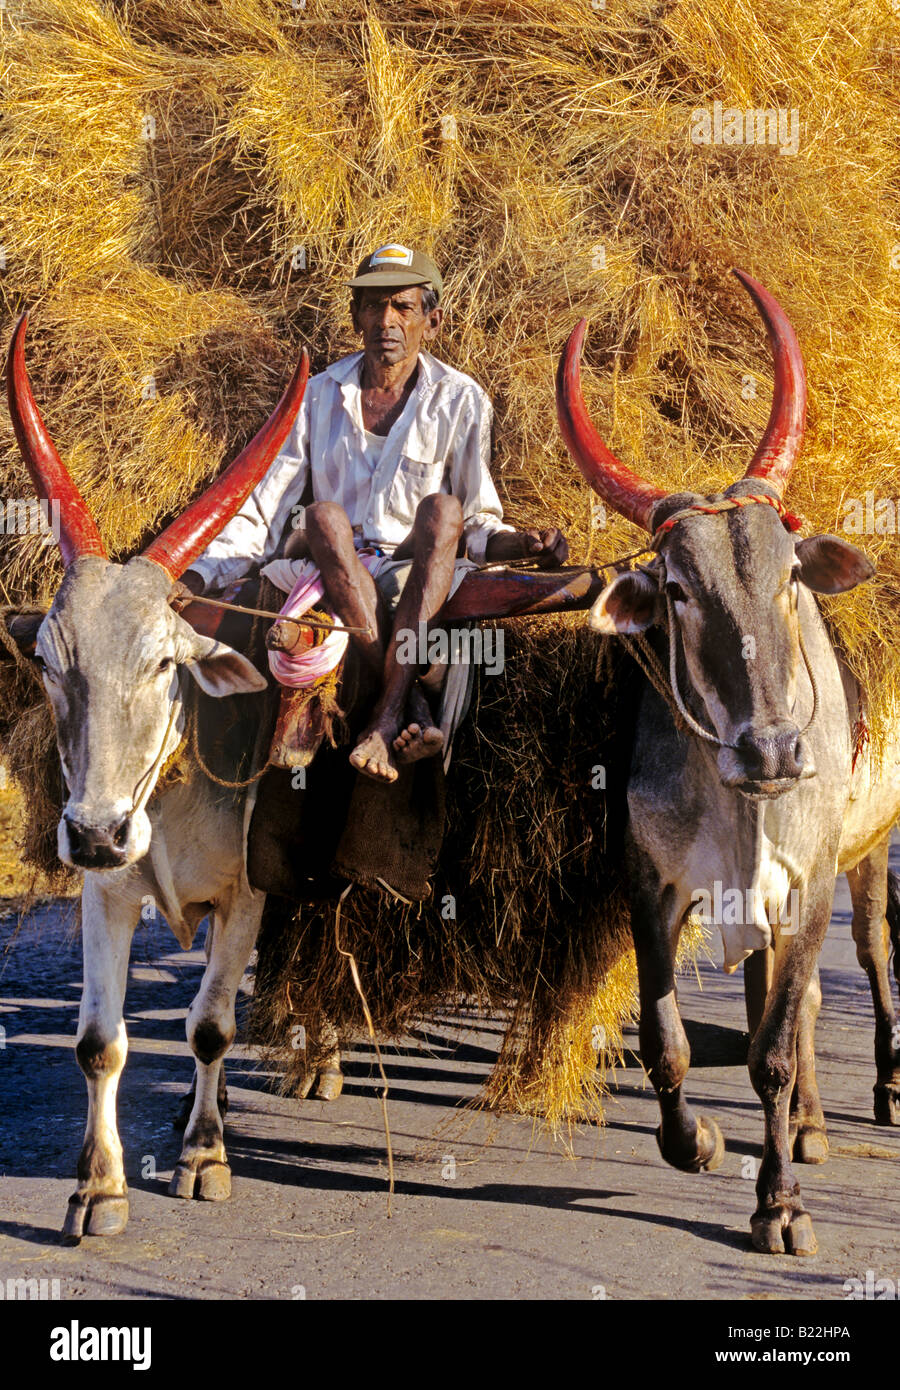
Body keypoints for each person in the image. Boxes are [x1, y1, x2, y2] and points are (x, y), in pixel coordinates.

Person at [175, 243, 568, 783]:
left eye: (403, 308)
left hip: (417, 569)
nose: (387, 320)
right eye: (374, 306)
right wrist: (195, 576)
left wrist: (524, 546)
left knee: (442, 508)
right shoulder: (317, 396)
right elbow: (262, 513)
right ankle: (406, 707)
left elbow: (475, 521)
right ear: (356, 316)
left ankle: (383, 714)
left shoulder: (462, 400)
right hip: (329, 565)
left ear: (432, 321)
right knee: (327, 518)